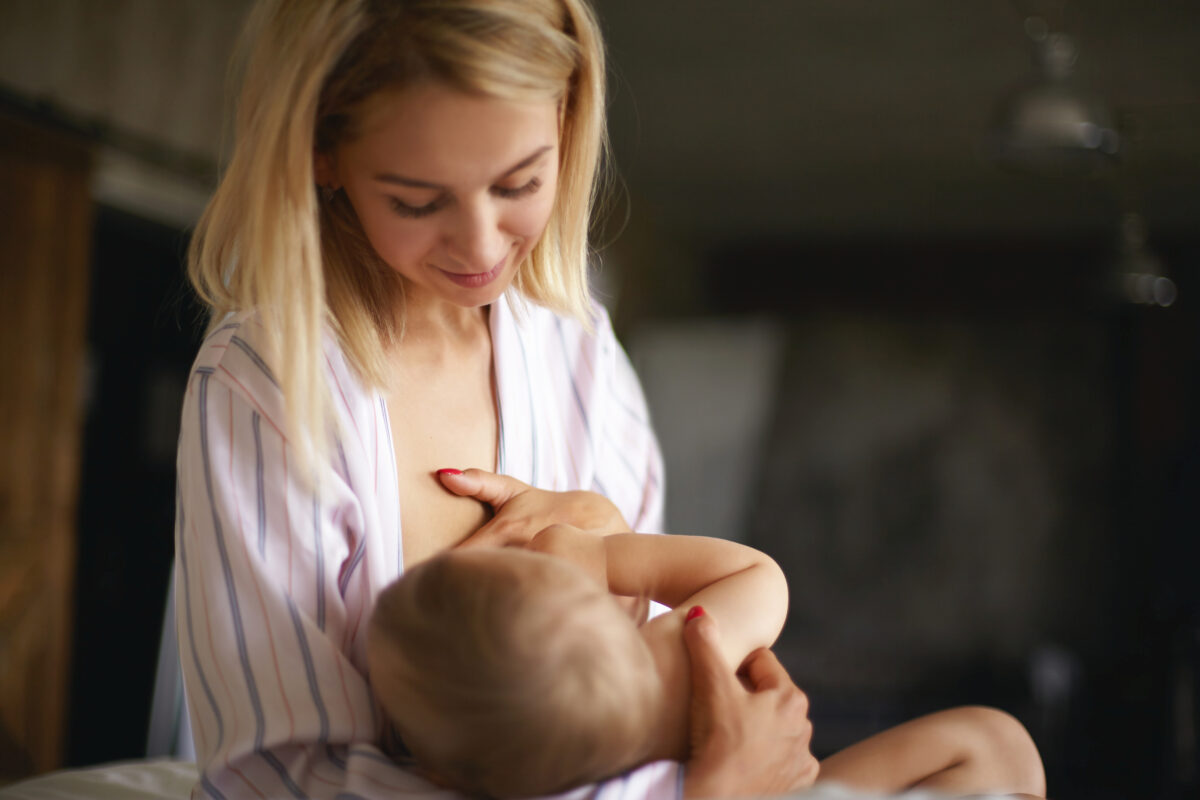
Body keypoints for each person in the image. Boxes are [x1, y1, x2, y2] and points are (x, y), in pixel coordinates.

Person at [174, 1, 817, 798]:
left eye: (520, 182)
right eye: (417, 201)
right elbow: (275, 778)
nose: (481, 249)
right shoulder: (268, 384)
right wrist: (715, 786)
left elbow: (644, 688)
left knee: (999, 755)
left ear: (567, 120)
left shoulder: (583, 357)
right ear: (322, 155)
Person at [367, 523, 1047, 799]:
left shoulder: (494, 772)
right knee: (998, 741)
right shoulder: (676, 666)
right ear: (623, 610)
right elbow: (760, 577)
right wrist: (604, 553)